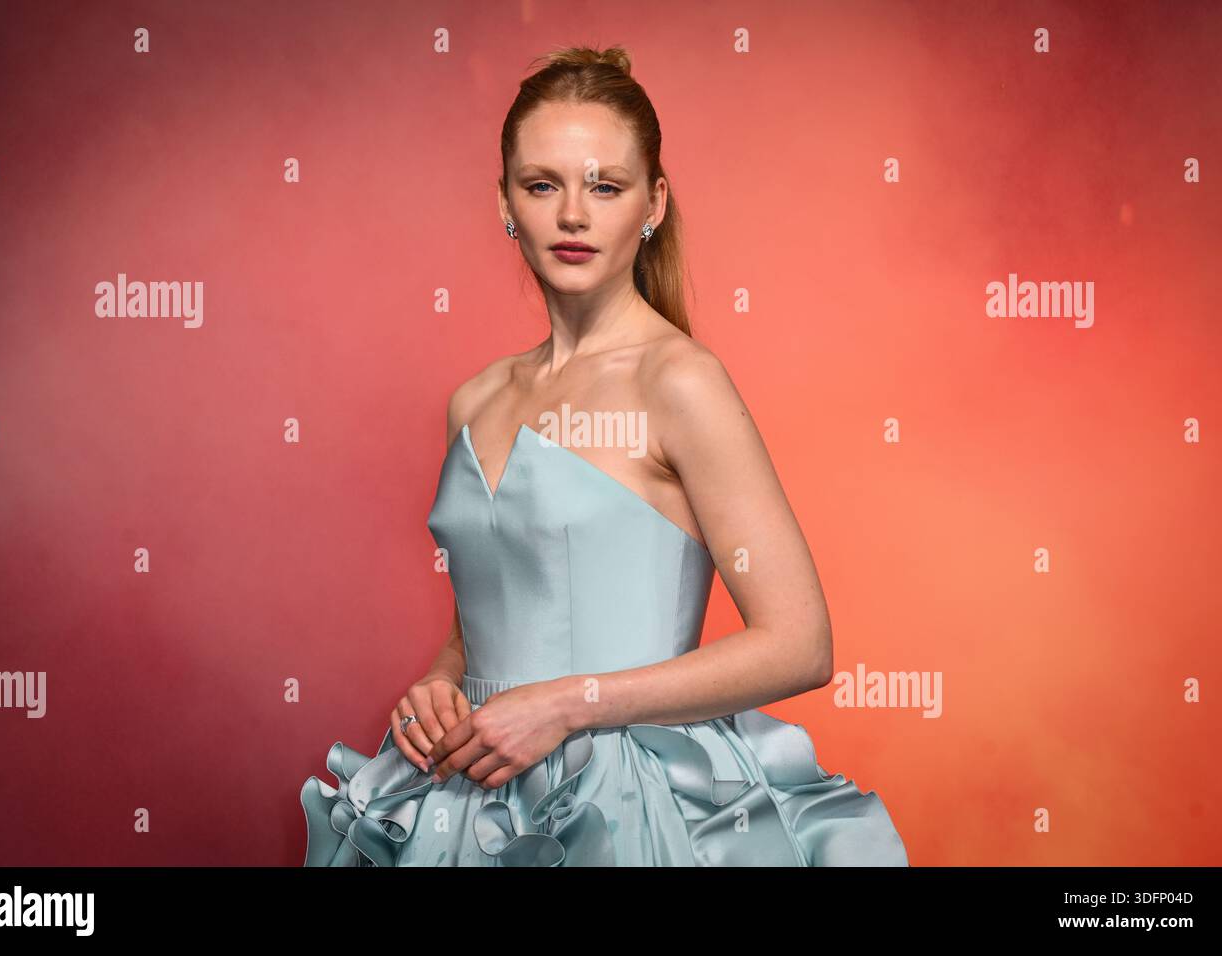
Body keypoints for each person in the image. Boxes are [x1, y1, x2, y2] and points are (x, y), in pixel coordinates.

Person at [300, 45, 908, 867]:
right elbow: (485, 617)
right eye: (543, 184)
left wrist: (570, 705)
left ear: (653, 202)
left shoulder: (680, 381)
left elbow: (800, 642)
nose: (573, 215)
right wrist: (438, 688)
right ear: (507, 203)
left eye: (606, 186)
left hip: (623, 798)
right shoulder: (475, 399)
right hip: (466, 788)